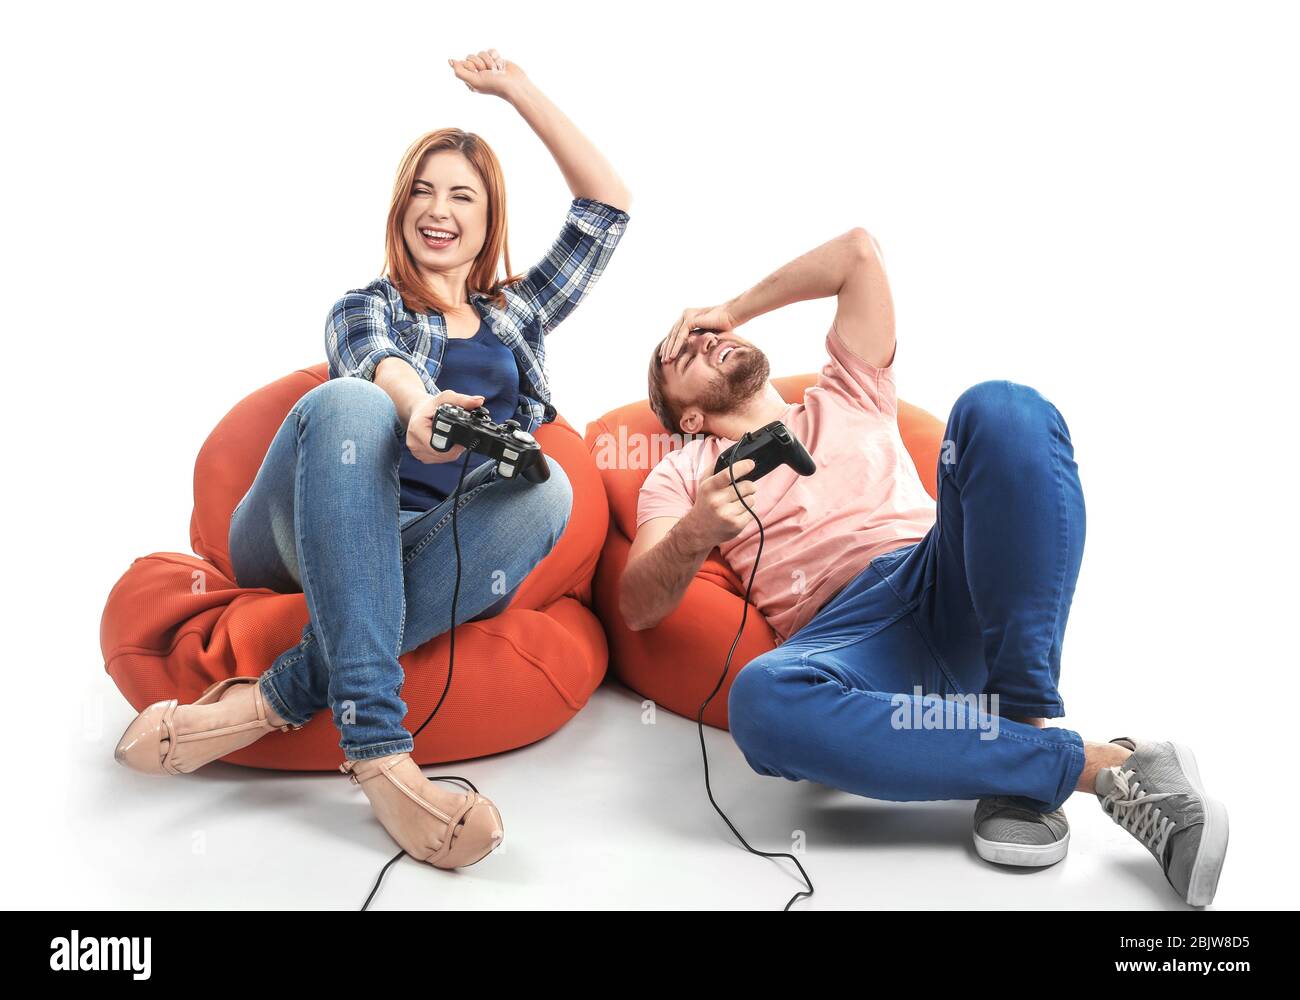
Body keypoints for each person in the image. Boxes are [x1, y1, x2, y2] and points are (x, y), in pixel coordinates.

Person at [115, 49, 632, 873]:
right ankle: (380, 747)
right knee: (346, 402)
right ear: (400, 210)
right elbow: (372, 361)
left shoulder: (517, 315)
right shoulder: (368, 305)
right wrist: (416, 405)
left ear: (489, 217)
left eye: (461, 194)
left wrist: (516, 90)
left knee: (547, 490)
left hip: (417, 544)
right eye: (423, 191)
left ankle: (266, 702)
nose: (439, 209)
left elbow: (607, 204)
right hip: (302, 531)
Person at [622, 227, 1228, 905]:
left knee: (1001, 406)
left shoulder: (845, 393)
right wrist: (700, 526)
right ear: (691, 415)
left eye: (707, 334)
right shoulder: (682, 473)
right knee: (760, 703)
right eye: (686, 355)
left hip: (943, 576)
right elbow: (640, 603)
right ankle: (1100, 767)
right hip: (852, 642)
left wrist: (730, 310)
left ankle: (1022, 721)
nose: (706, 340)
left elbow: (856, 252)